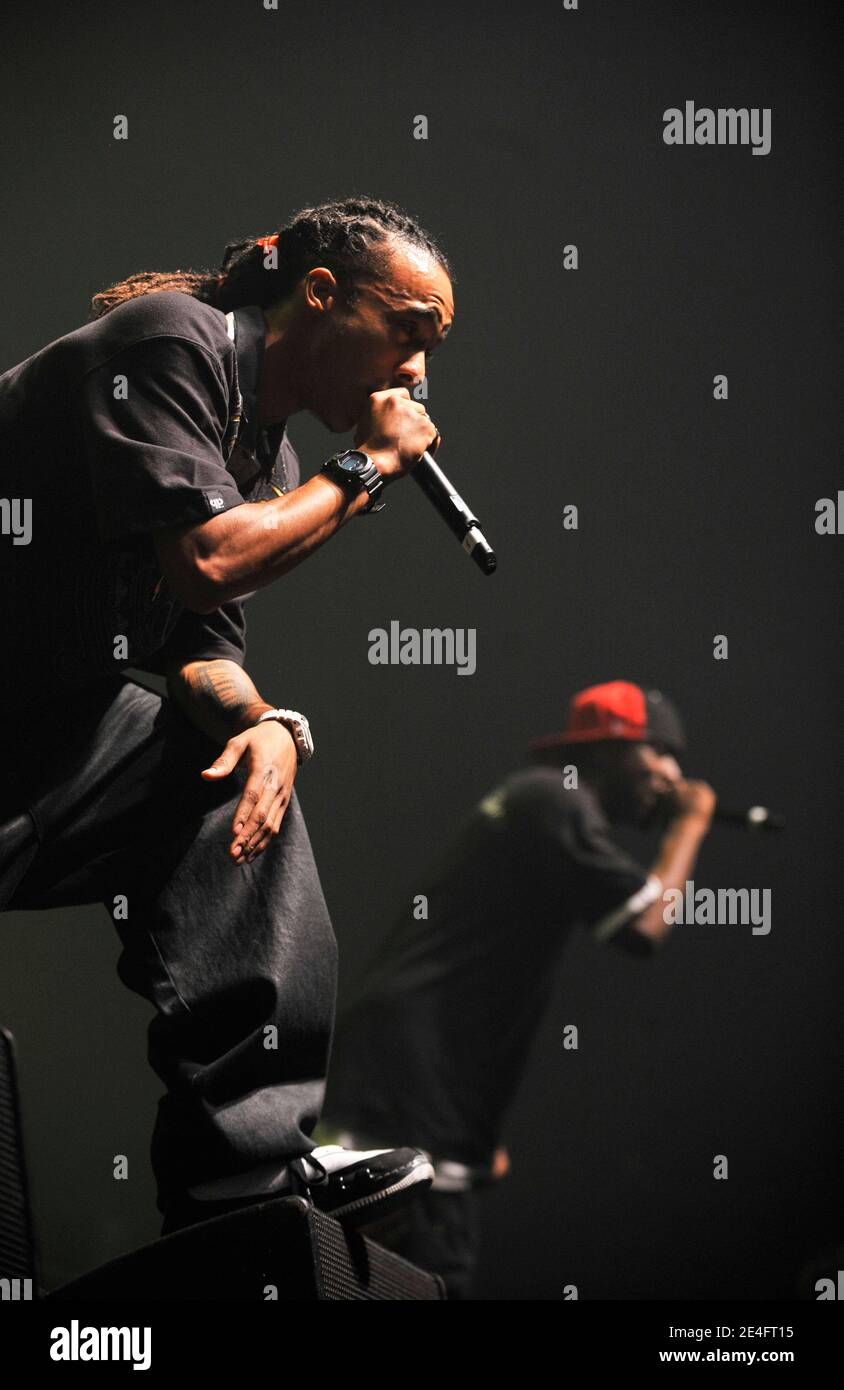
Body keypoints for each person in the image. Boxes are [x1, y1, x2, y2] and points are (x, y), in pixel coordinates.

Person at [0, 196, 456, 1236]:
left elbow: (202, 650)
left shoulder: (269, 460)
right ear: (322, 293)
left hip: (40, 733)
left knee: (233, 785)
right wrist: (369, 466)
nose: (417, 373)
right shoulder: (171, 341)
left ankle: (239, 1171)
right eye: (407, 332)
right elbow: (209, 560)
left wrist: (260, 724)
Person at [319, 680, 717, 1296]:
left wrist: (473, 1133)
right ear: (609, 749)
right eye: (661, 752)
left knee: (366, 1272)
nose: (673, 775)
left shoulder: (540, 800)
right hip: (409, 1088)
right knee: (424, 1277)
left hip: (402, 1077)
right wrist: (690, 825)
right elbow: (644, 927)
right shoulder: (556, 799)